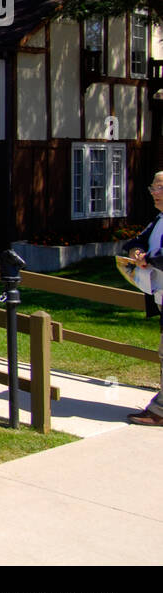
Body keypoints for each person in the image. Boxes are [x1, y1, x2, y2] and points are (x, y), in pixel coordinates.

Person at [122, 170, 163, 425]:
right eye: (153, 188)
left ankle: (159, 412)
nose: (154, 193)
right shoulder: (158, 220)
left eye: (158, 188)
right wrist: (138, 251)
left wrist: (149, 259)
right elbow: (135, 243)